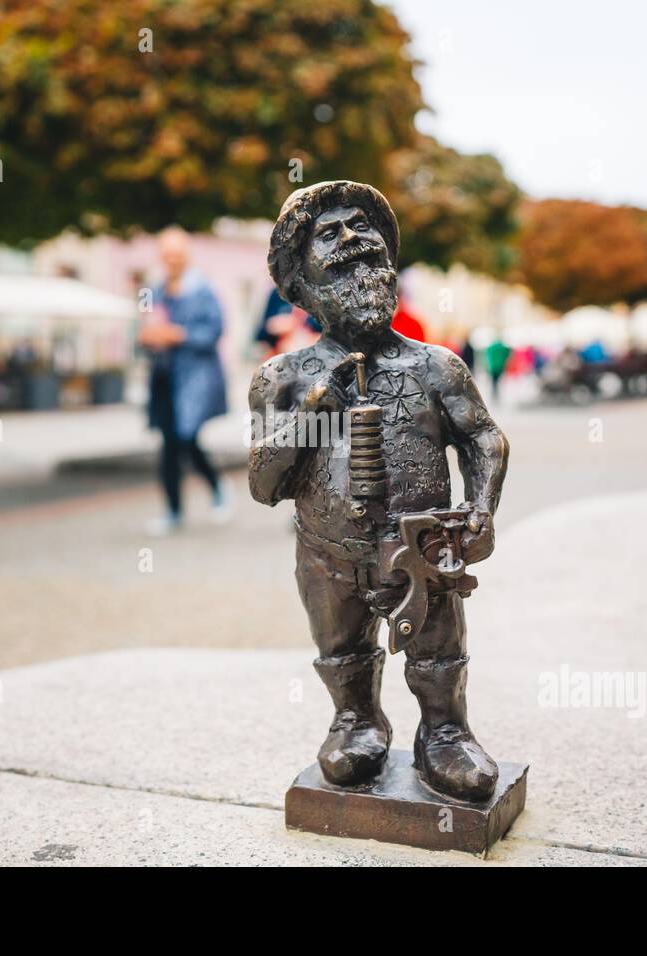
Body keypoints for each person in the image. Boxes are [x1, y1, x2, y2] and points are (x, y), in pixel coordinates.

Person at [250, 180, 507, 801]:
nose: (353, 240)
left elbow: (485, 441)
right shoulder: (282, 378)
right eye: (330, 235)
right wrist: (310, 413)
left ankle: (444, 732)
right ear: (303, 285)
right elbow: (264, 482)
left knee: (439, 651)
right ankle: (356, 719)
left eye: (365, 232)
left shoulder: (435, 366)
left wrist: (479, 507)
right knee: (341, 647)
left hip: (422, 550)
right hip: (327, 552)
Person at [139, 227, 230, 535]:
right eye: (166, 254)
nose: (171, 260)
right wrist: (149, 336)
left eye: (176, 253)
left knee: (186, 439)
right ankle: (173, 511)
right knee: (168, 444)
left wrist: (178, 335)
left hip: (194, 378)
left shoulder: (203, 289)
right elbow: (142, 328)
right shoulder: (153, 289)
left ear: (186, 255)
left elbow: (215, 332)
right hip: (163, 377)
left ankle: (217, 486)